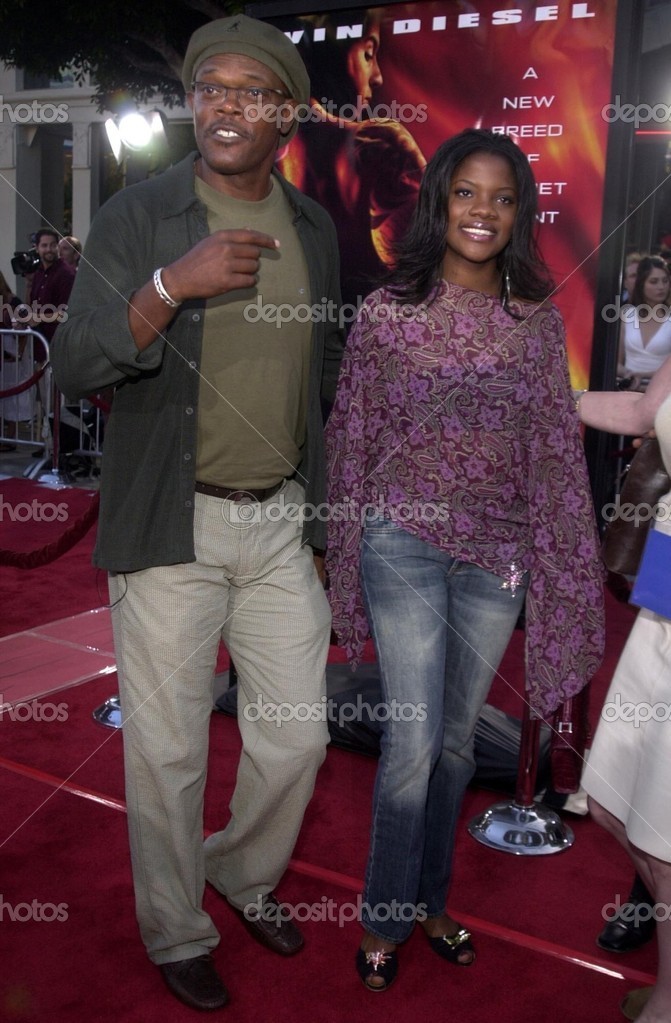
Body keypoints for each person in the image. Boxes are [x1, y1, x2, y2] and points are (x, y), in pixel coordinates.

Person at [50, 14, 344, 1013]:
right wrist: (171, 286)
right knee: (168, 751)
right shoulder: (141, 213)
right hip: (171, 525)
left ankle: (239, 870)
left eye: (251, 91)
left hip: (279, 524)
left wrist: (319, 524)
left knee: (297, 741)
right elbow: (74, 364)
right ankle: (176, 926)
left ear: (287, 116)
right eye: (208, 87)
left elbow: (324, 375)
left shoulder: (314, 229)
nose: (224, 105)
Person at [325, 127, 605, 991]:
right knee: (412, 740)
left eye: (502, 198)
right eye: (466, 193)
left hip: (496, 556)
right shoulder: (386, 314)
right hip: (402, 543)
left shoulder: (535, 324)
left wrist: (559, 560)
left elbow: (551, 449)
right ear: (438, 200)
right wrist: (343, 544)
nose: (482, 211)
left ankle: (430, 901)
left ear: (519, 214)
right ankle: (383, 914)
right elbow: (351, 433)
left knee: (453, 745)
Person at [578, 357, 671, 1023]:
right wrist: (543, 388)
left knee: (661, 827)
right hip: (664, 580)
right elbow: (642, 414)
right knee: (621, 801)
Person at [277, 8, 426, 309]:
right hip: (372, 329)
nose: (377, 76)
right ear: (330, 53)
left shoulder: (252, 152)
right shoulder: (382, 147)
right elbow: (424, 273)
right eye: (368, 54)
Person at [618, 255, 671, 392]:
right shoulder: (627, 315)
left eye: (665, 281)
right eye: (654, 282)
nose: (661, 287)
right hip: (628, 390)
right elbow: (616, 363)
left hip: (663, 392)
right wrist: (628, 375)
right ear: (641, 284)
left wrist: (642, 375)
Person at [0, 270, 33, 450]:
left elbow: (24, 329)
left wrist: (18, 353)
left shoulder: (13, 301)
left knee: (13, 394)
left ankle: (11, 437)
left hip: (14, 354)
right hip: (4, 354)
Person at [27, 228, 75, 342]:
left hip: (59, 343)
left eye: (53, 245)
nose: (49, 249)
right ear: (37, 248)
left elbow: (67, 313)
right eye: (44, 245)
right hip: (39, 344)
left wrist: (39, 318)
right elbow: (33, 308)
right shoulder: (38, 273)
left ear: (58, 247)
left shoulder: (66, 274)